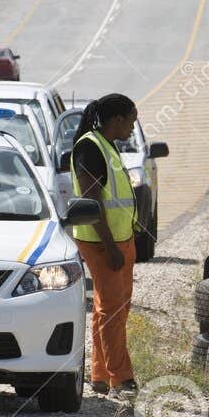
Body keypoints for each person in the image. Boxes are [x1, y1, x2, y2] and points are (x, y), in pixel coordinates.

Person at [71, 93, 140, 397]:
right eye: (131, 121)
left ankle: (99, 375)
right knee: (113, 310)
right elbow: (91, 200)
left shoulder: (106, 144)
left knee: (110, 308)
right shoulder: (90, 146)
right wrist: (110, 246)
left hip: (119, 240)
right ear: (117, 119)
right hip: (102, 243)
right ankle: (122, 379)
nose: (132, 128)